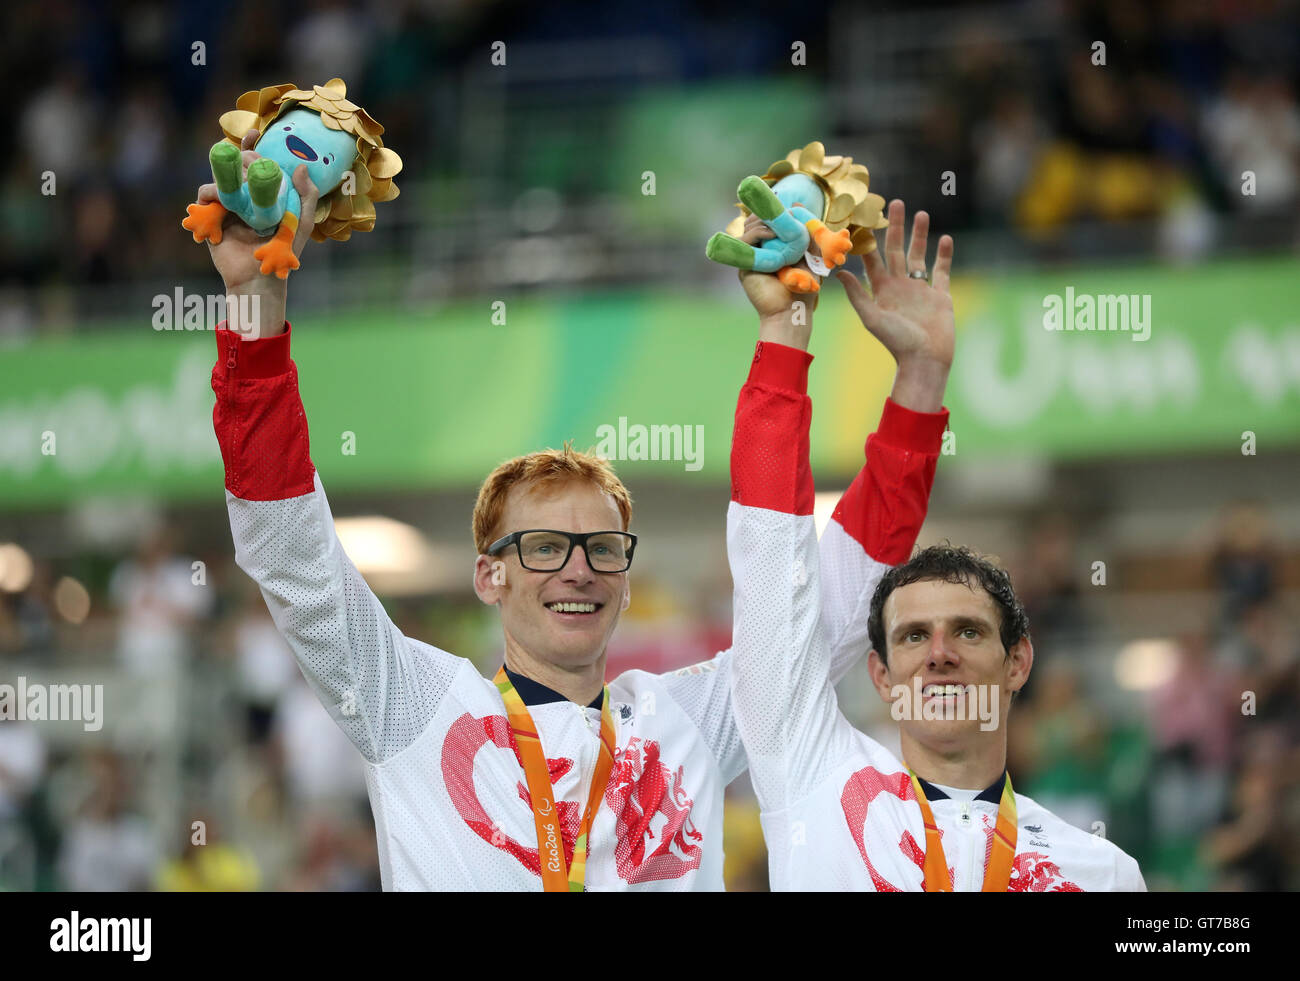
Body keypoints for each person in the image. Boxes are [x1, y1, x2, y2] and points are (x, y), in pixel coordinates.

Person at [191, 131, 947, 890]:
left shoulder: (687, 723)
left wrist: (908, 377)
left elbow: (832, 608)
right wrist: (256, 299)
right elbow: (289, 549)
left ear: (626, 575)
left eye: (603, 549)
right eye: (546, 547)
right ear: (490, 575)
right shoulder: (412, 706)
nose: (579, 569)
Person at [728, 204, 1146, 891]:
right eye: (914, 635)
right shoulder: (811, 780)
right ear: (882, 676)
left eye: (968, 630)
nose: (940, 651)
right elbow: (769, 553)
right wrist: (787, 324)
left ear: (1019, 662)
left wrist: (924, 370)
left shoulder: (1101, 871)